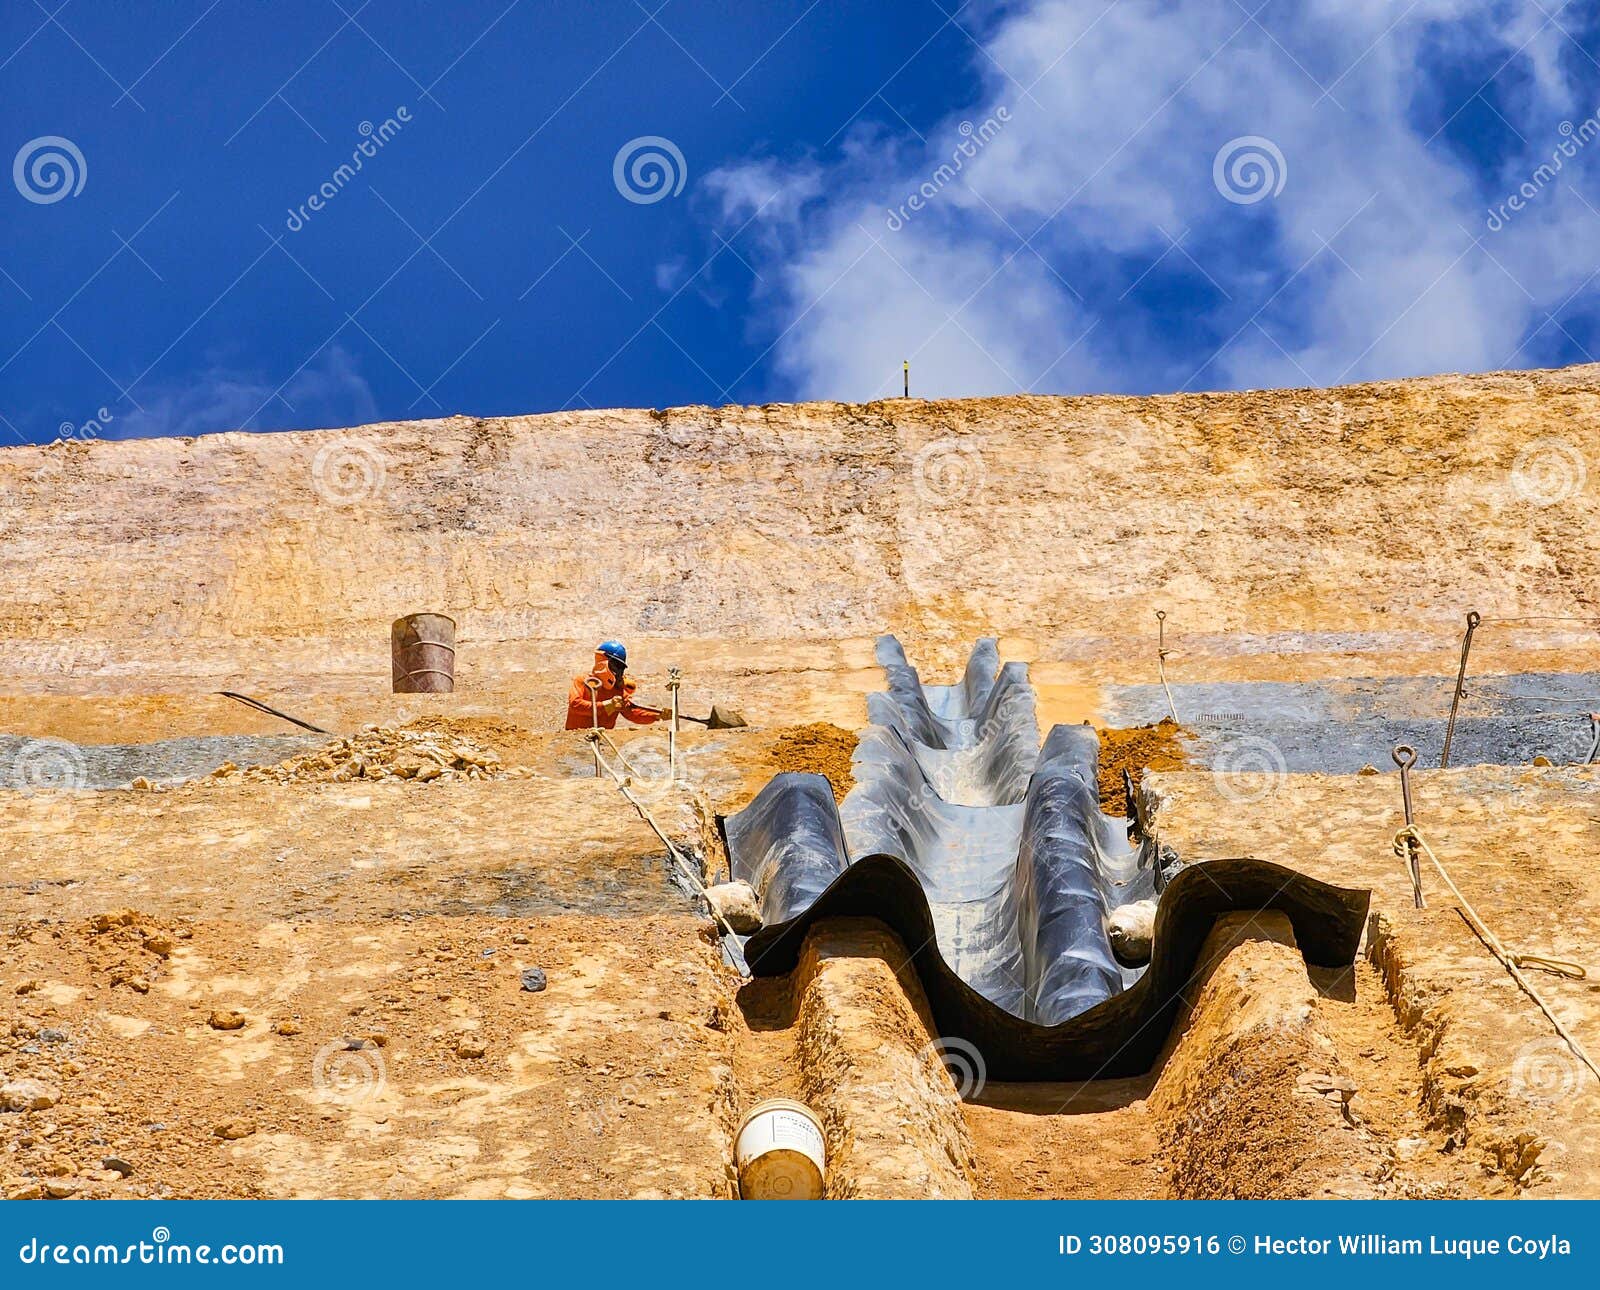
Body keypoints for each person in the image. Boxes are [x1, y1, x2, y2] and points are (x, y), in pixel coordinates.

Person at [564, 640, 668, 730]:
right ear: (603, 661)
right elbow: (575, 704)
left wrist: (657, 715)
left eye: (620, 668)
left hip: (603, 740)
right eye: (616, 665)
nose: (618, 671)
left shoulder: (618, 690)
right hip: (577, 737)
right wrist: (606, 705)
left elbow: (632, 712)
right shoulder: (583, 681)